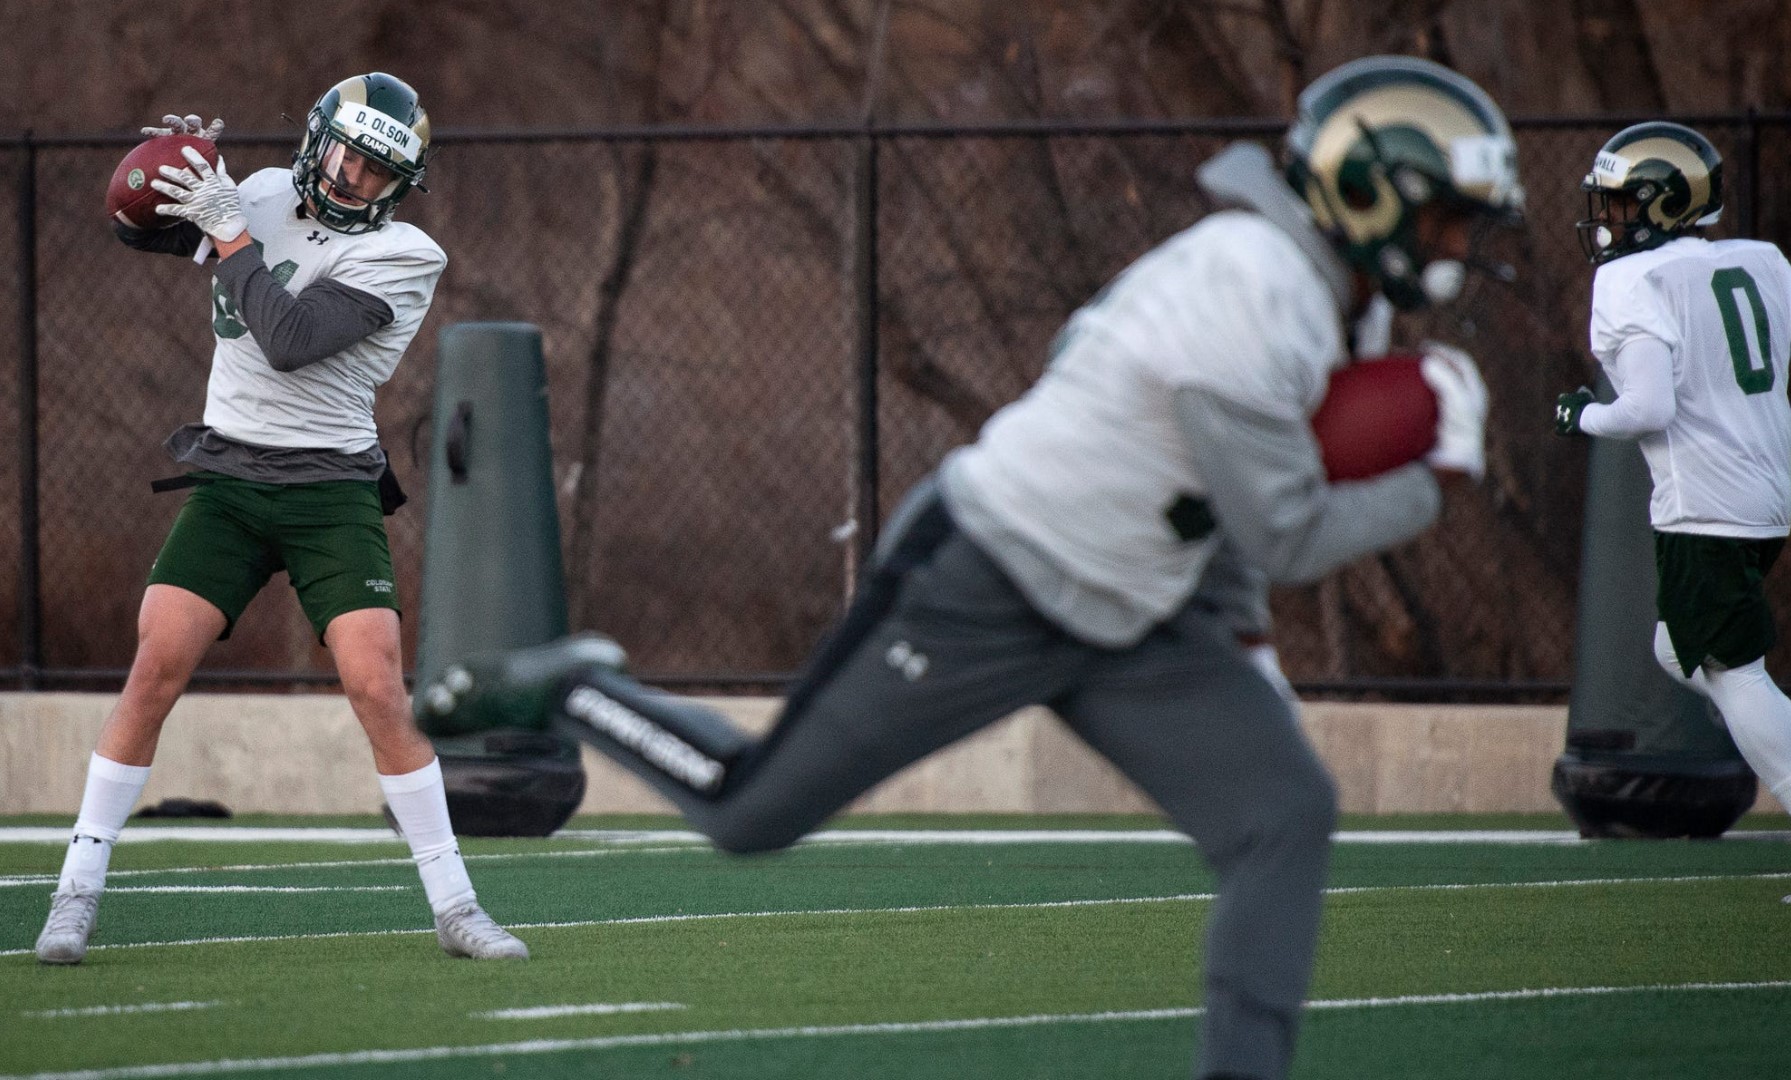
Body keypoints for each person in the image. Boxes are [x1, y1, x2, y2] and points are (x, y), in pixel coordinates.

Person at [456, 55, 1518, 1080]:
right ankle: (575, 684)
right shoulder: (1251, 285)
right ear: (1367, 190)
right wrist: (1436, 481)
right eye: (1443, 217)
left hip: (1138, 609)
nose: (1455, 244)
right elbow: (1284, 529)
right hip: (988, 574)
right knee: (751, 814)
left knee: (1283, 812)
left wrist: (1243, 645)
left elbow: (1223, 515)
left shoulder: (1333, 299)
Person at [36, 73, 527, 964]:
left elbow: (291, 342)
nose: (352, 179)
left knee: (377, 688)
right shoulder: (259, 193)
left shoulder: (407, 255)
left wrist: (228, 230)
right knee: (154, 669)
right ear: (315, 141)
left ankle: (456, 906)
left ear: (400, 186)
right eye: (345, 156)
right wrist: (174, 173)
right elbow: (134, 229)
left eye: (377, 171)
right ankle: (76, 892)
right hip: (229, 476)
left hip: (329, 489)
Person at [1557, 121, 1791, 903]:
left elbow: (1646, 407)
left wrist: (1580, 416)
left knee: (1733, 673)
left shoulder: (1632, 282)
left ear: (1660, 205)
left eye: (1620, 203)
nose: (1607, 218)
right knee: (1677, 649)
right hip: (1766, 501)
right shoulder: (1758, 261)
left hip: (1702, 508)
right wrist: (1774, 440)